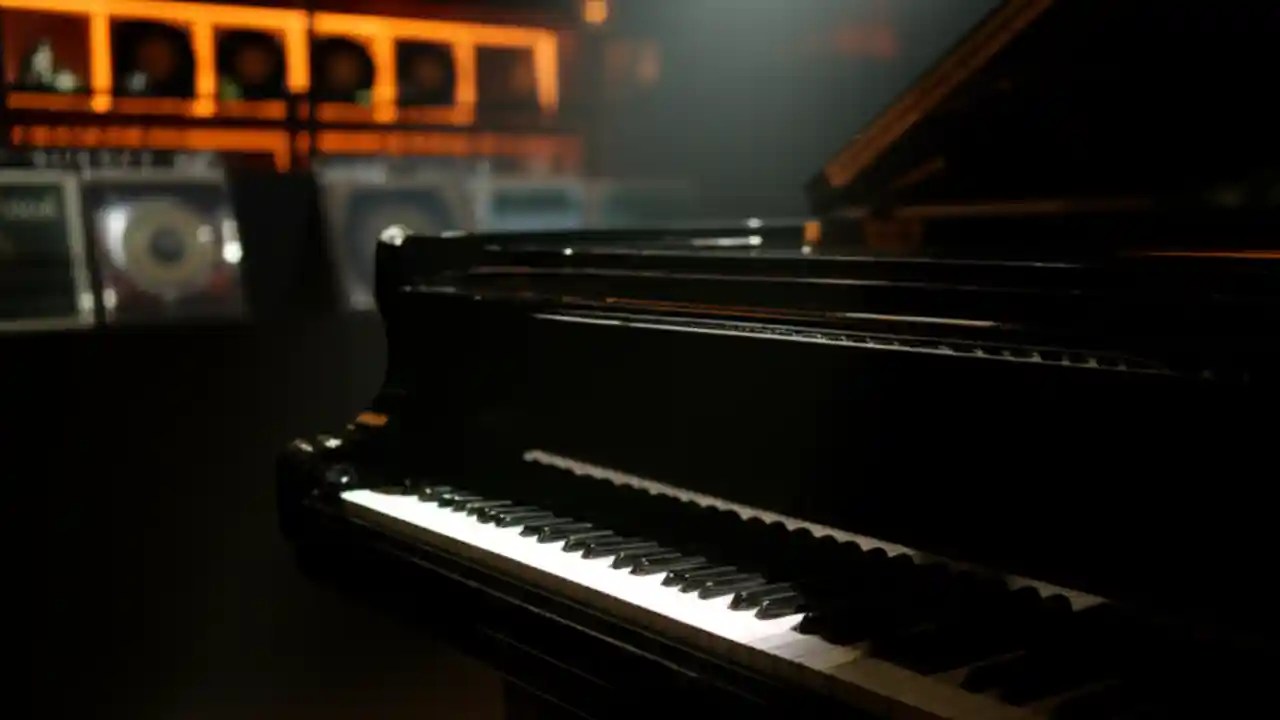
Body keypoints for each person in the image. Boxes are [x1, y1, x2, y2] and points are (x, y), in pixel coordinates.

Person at [120, 31, 191, 97]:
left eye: (161, 57)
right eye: (147, 58)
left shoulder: (181, 95)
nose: (152, 63)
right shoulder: (132, 85)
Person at [219, 34, 285, 100]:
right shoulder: (228, 87)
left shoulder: (280, 90)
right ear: (234, 62)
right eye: (246, 61)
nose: (254, 68)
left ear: (273, 62)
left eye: (261, 61)